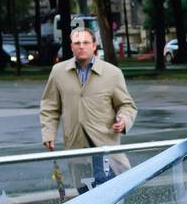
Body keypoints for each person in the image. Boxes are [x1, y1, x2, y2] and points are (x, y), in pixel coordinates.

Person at [39, 27, 138, 189]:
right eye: (77, 43)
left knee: (109, 194)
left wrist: (124, 120)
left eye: (86, 42)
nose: (81, 46)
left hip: (104, 146)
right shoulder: (58, 72)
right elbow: (50, 106)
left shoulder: (112, 73)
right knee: (84, 194)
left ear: (94, 46)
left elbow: (126, 105)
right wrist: (48, 133)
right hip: (76, 145)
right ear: (71, 47)